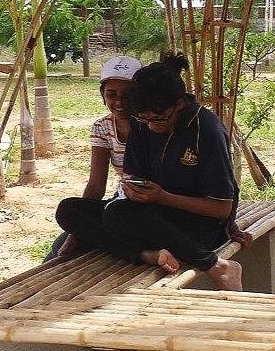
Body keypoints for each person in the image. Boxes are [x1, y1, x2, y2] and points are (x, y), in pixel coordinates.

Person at [55, 52, 243, 290]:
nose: (152, 126)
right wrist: (135, 192)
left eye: (160, 119)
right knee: (69, 210)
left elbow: (221, 208)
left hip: (201, 225)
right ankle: (147, 254)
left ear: (179, 104)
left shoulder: (207, 130)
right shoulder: (140, 122)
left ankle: (215, 265)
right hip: (154, 216)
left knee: (118, 216)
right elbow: (134, 179)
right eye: (145, 119)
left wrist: (163, 197)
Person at [48, 53, 141, 262]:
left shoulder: (152, 125)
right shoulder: (102, 127)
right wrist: (75, 232)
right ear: (103, 95)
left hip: (148, 204)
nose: (119, 102)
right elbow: (96, 184)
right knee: (62, 238)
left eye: (128, 94)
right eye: (111, 94)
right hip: (122, 203)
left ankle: (144, 254)